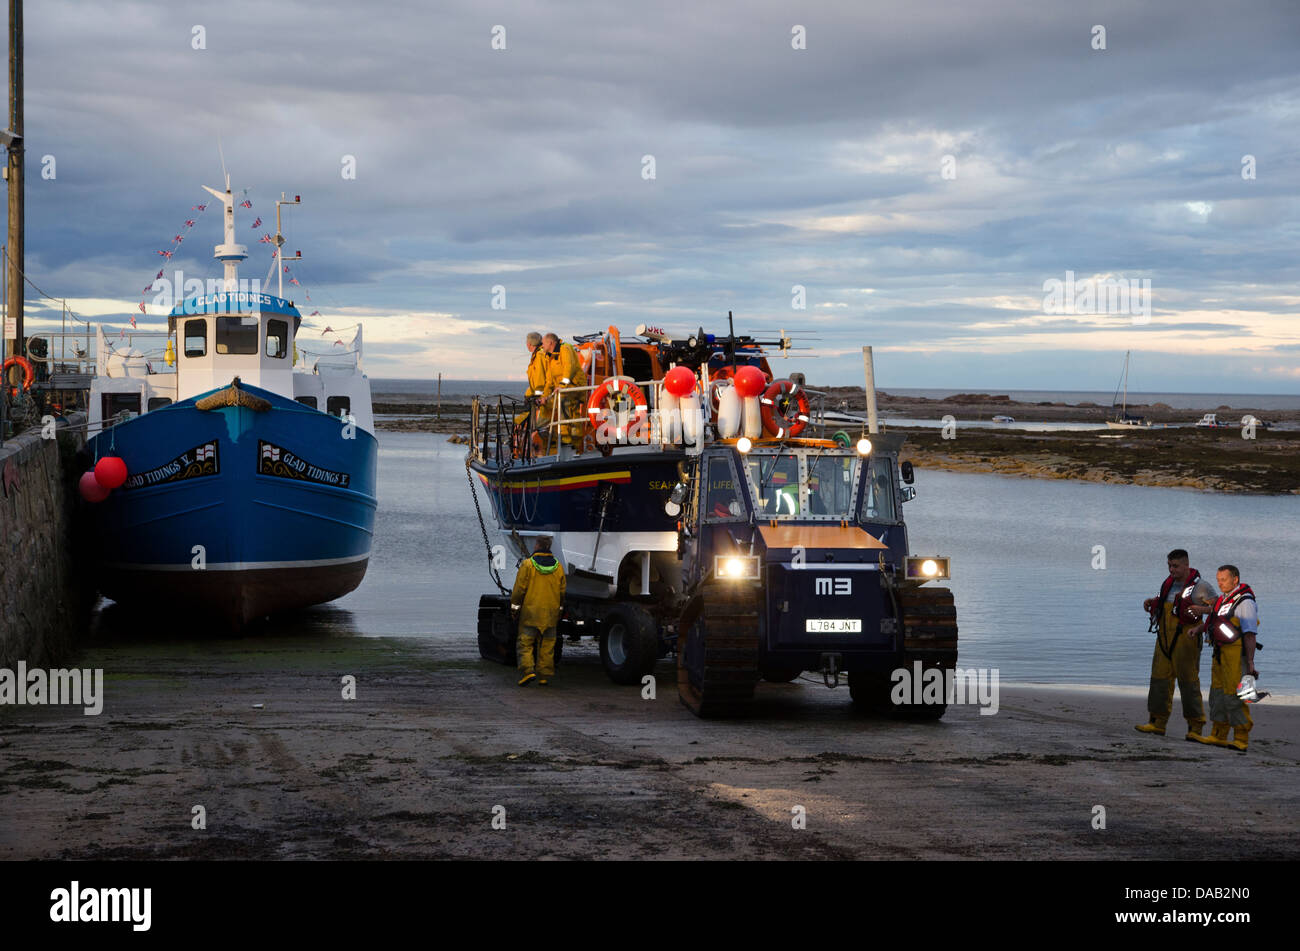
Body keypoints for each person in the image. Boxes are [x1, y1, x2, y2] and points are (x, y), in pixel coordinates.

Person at [1136, 549, 1215, 739]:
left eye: (1176, 566)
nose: (1172, 570)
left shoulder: (1201, 586)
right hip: (1163, 638)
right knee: (1159, 680)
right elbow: (1165, 603)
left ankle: (1195, 727)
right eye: (1169, 566)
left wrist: (1201, 609)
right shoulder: (1168, 584)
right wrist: (1151, 601)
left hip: (1186, 639)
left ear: (1187, 565)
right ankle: (1157, 722)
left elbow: (1218, 609)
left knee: (1188, 682)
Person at [1187, 565, 1259, 752]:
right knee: (1217, 694)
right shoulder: (1222, 600)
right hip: (1219, 654)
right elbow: (1214, 622)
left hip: (1237, 656)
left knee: (1235, 695)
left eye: (1224, 580)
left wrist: (1251, 663)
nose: (1220, 583)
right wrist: (1198, 629)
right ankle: (1218, 734)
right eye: (1218, 580)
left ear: (1235, 580)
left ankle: (1241, 737)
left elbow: (1250, 635)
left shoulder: (1245, 602)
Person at [510, 536, 566, 686]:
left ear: (537, 545)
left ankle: (529, 672)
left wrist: (514, 607)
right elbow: (562, 592)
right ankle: (544, 677)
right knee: (547, 645)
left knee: (525, 643)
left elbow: (519, 591)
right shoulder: (559, 567)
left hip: (531, 612)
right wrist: (559, 610)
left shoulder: (528, 565)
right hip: (550, 614)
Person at [542, 332, 587, 446]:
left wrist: (562, 385)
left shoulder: (565, 348)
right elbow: (549, 381)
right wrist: (544, 397)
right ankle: (544, 432)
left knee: (564, 401)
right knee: (547, 404)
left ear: (550, 343)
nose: (542, 346)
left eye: (543, 343)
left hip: (575, 386)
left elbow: (569, 367)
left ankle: (566, 440)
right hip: (562, 389)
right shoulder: (550, 358)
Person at [515, 332, 548, 427]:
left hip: (536, 397)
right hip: (535, 394)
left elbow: (539, 377)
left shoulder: (539, 355)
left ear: (529, 344)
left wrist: (537, 396)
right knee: (523, 421)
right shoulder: (538, 354)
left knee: (528, 422)